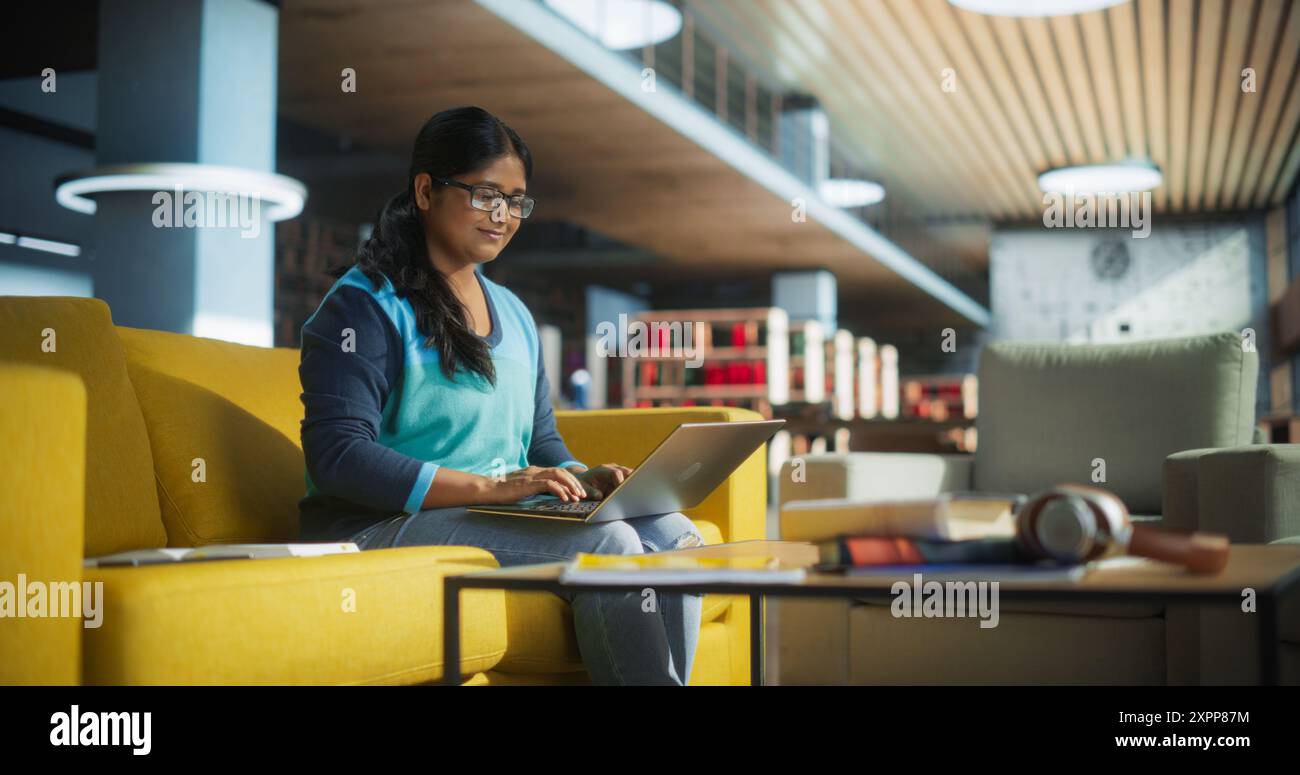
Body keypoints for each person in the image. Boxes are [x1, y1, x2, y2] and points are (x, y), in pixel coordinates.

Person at [297, 106, 704, 685]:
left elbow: (539, 439)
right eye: (487, 194)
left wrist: (580, 479)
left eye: (516, 200)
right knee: (609, 544)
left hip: (493, 512)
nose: (504, 215)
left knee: (669, 532)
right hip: (374, 525)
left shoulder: (513, 312)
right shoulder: (364, 304)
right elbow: (338, 457)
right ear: (425, 190)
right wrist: (492, 487)